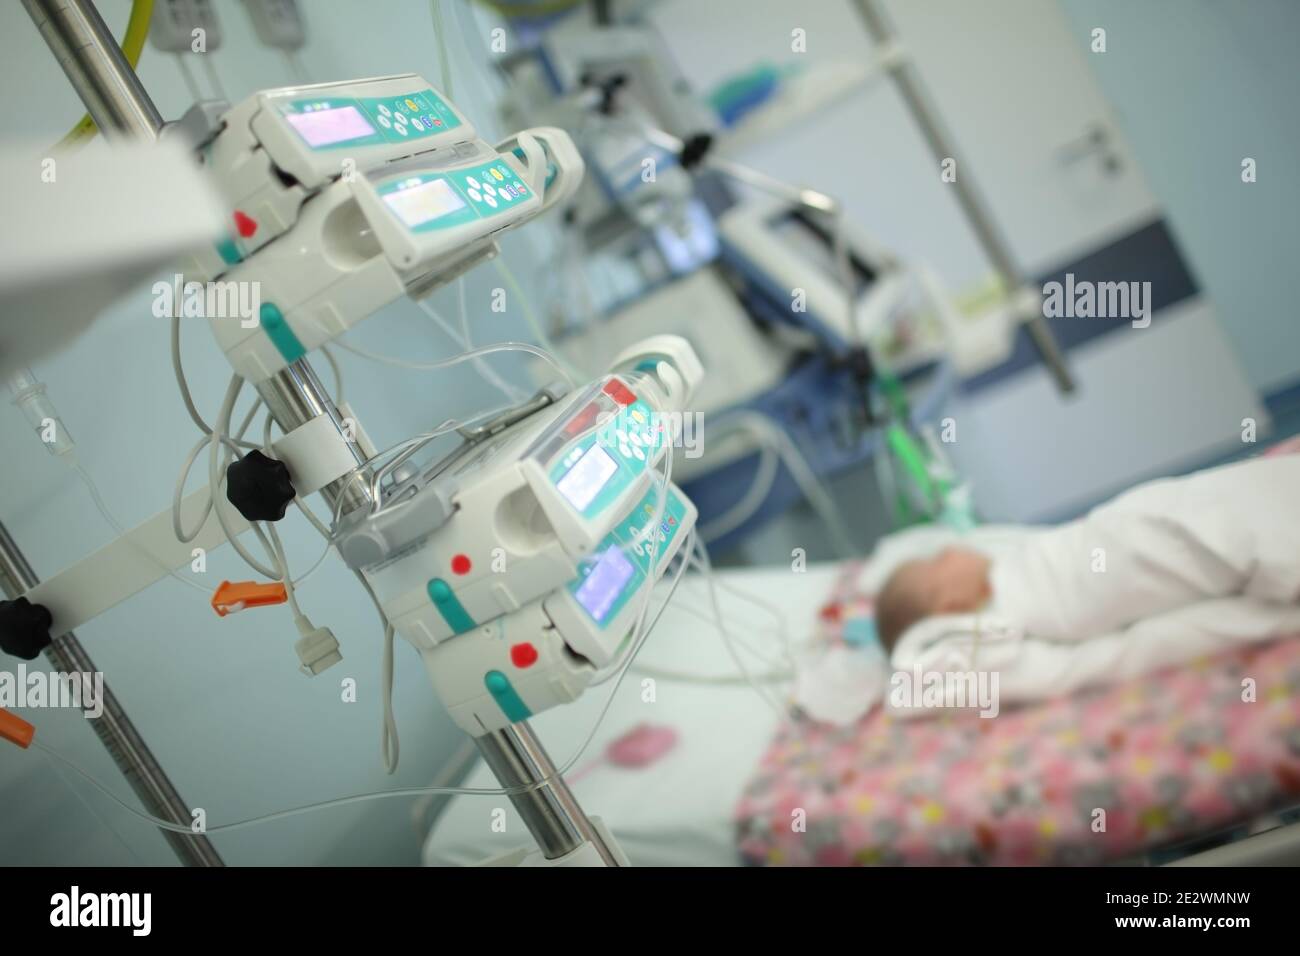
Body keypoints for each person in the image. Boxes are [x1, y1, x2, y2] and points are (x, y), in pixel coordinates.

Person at [874, 454, 1300, 654]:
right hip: (1128, 552)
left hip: (1124, 527)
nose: (948, 548)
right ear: (954, 604)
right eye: (935, 563)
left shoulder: (1024, 567)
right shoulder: (1031, 602)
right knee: (1208, 529)